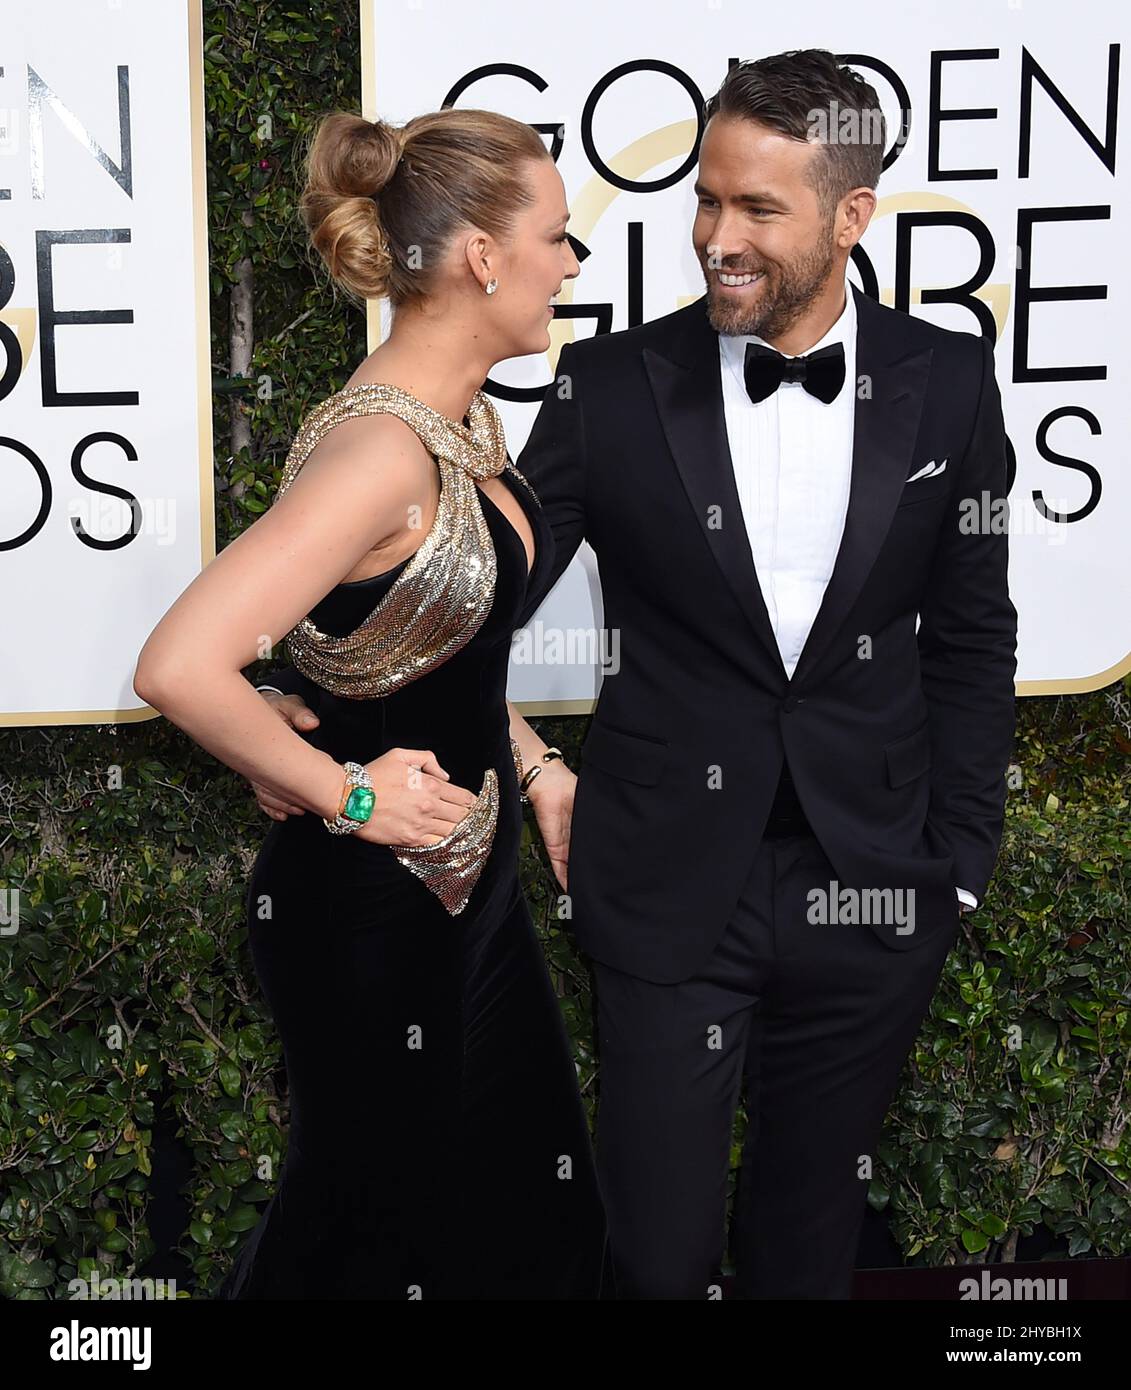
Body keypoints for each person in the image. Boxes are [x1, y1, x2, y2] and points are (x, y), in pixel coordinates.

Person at [255, 49, 1018, 1299]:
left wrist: (962, 869)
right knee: (651, 1257)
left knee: (809, 1242)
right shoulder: (615, 387)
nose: (717, 236)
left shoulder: (947, 382)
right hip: (666, 888)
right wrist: (343, 721)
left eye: (758, 209)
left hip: (877, 885)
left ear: (852, 216)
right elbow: (458, 604)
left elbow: (975, 636)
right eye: (706, 200)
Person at [132, 106, 609, 1298]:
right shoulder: (382, 455)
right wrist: (347, 790)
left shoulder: (460, 424)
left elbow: (443, 652)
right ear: (484, 257)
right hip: (369, 915)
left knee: (536, 1221)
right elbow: (180, 663)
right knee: (353, 1239)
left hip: (471, 893)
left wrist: (537, 762)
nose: (571, 264)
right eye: (558, 238)